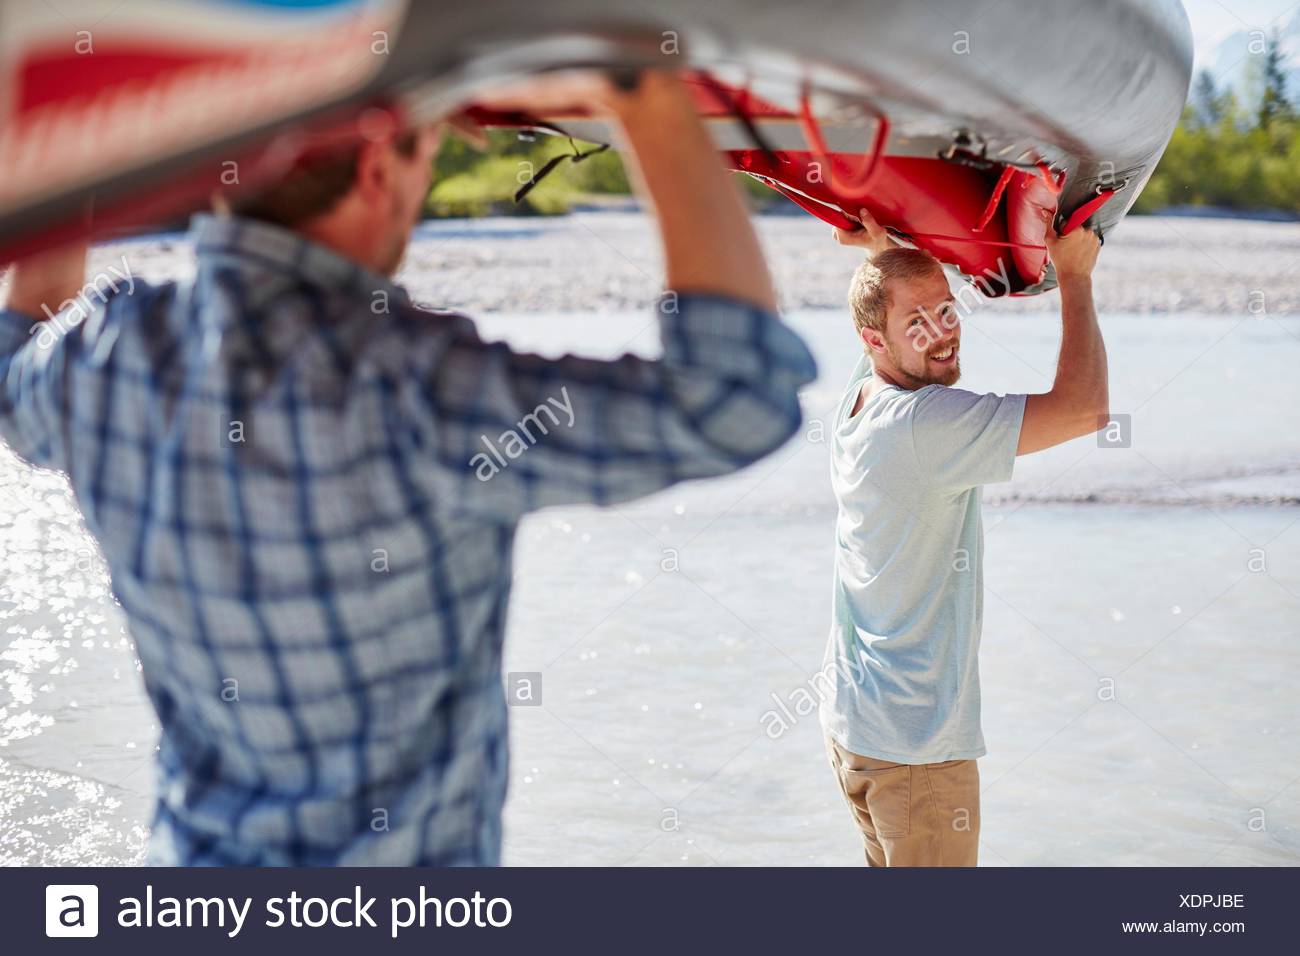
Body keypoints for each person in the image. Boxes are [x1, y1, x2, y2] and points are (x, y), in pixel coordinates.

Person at [0, 71, 817, 865]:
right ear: (376, 166)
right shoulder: (418, 388)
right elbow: (735, 397)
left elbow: (12, 368)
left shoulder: (98, 355)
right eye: (425, 157)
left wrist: (82, 130)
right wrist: (645, 97)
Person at [820, 208, 1105, 866]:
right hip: (916, 751)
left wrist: (883, 249)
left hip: (857, 732)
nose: (941, 334)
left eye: (947, 310)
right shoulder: (927, 425)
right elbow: (1085, 407)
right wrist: (1076, 276)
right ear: (875, 342)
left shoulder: (861, 400)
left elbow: (895, 307)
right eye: (917, 324)